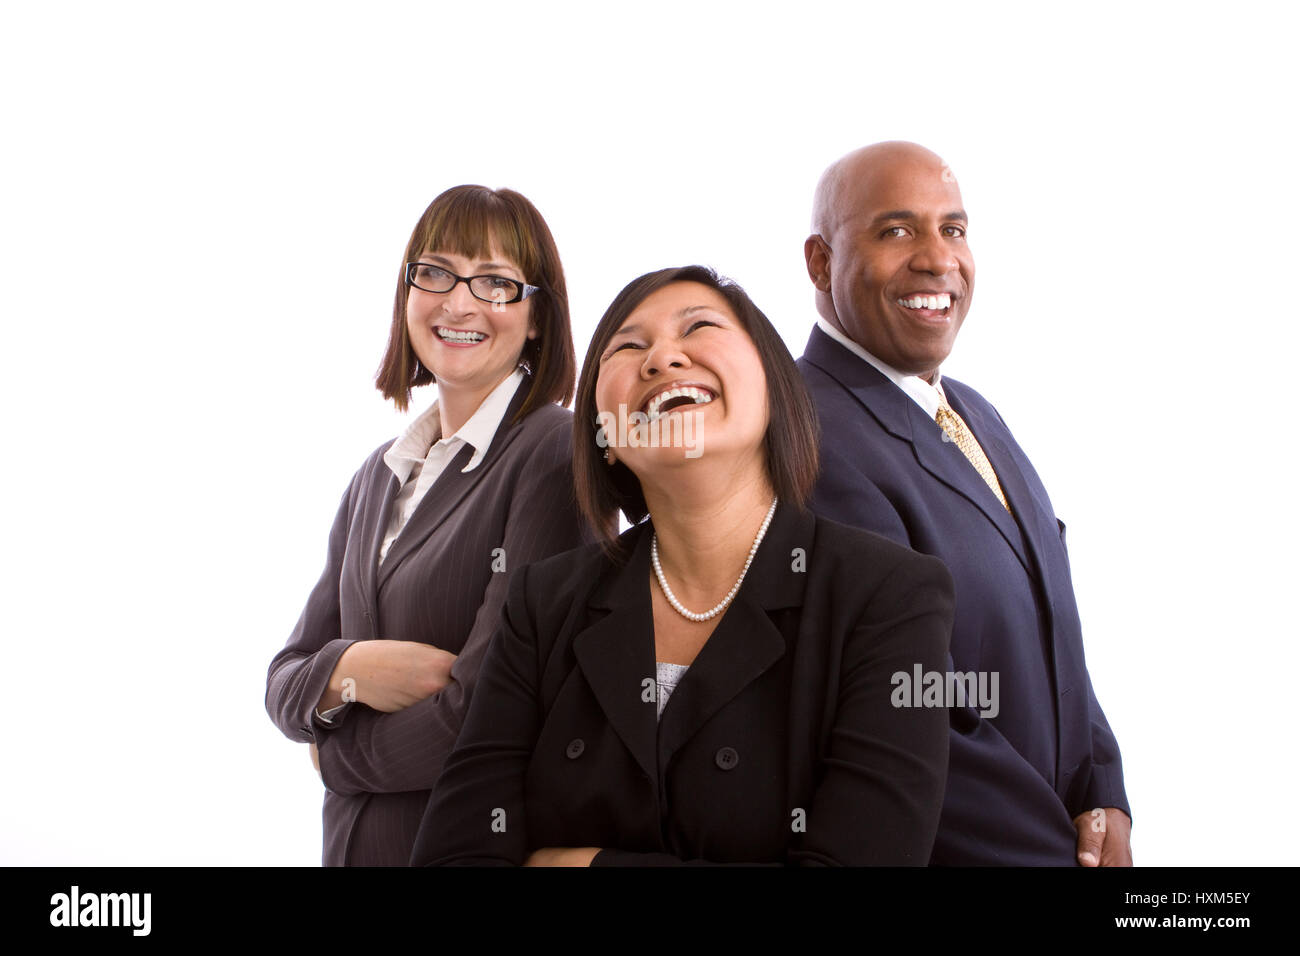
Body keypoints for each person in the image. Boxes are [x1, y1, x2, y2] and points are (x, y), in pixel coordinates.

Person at [410, 265, 955, 866]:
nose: (663, 359)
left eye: (699, 328)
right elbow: (452, 853)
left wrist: (584, 865)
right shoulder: (543, 603)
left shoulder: (890, 597)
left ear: (773, 389)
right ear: (605, 436)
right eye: (628, 347)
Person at [798, 141, 1132, 866]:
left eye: (952, 228)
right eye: (895, 231)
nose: (936, 257)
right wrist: (1056, 854)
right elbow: (912, 712)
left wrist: (1103, 798)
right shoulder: (807, 438)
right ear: (821, 262)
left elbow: (1053, 625)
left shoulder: (974, 412)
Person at [265, 185, 585, 866]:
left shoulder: (552, 453)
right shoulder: (377, 477)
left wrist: (335, 758)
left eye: (495, 282)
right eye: (435, 272)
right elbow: (283, 680)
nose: (458, 302)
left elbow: (492, 714)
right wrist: (349, 667)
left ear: (537, 319)